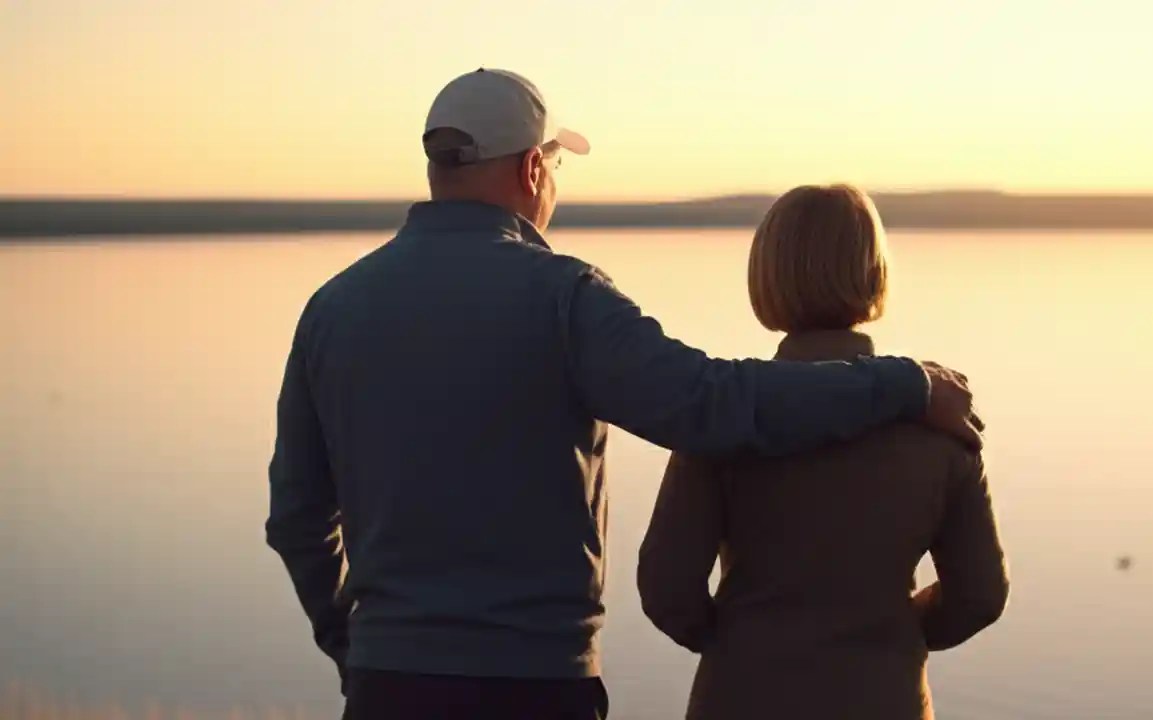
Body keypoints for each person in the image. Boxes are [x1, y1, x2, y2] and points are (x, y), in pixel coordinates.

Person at [265, 69, 981, 720]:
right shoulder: (564, 299)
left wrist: (351, 644)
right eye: (556, 166)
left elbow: (298, 517)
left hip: (388, 683)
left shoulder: (332, 310)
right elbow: (712, 403)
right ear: (531, 168)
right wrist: (904, 383)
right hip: (539, 687)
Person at [638, 184, 1009, 720]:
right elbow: (979, 596)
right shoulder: (941, 427)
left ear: (767, 274)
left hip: (741, 697)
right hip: (885, 698)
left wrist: (737, 642)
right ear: (874, 270)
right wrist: (898, 632)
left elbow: (668, 589)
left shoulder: (728, 419)